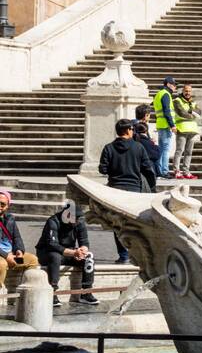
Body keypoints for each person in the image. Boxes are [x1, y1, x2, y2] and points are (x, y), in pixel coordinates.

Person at [99, 118, 156, 264]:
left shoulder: (108, 148)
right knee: (135, 224)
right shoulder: (138, 147)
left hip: (115, 189)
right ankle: (137, 254)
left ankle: (123, 255)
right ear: (129, 130)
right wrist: (151, 186)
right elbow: (148, 169)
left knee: (117, 224)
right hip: (134, 190)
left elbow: (102, 169)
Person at [36, 202, 98, 308]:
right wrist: (74, 252)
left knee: (89, 258)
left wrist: (83, 250)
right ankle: (52, 292)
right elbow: (52, 245)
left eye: (78, 218)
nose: (77, 221)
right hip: (47, 252)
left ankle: (86, 292)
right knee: (55, 256)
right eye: (75, 218)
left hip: (68, 253)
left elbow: (84, 241)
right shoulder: (53, 221)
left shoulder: (79, 222)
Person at [0, 189, 39, 292]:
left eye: (2, 204)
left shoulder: (10, 219)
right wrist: (6, 255)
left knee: (32, 260)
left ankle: (25, 292)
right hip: (2, 257)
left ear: (8, 206)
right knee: (1, 264)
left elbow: (17, 237)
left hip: (11, 255)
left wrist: (19, 251)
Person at [172, 83, 201, 179]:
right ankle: (177, 171)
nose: (188, 93)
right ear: (182, 91)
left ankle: (186, 171)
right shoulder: (177, 100)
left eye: (189, 91)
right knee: (179, 151)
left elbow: (200, 112)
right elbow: (181, 113)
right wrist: (192, 114)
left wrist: (191, 112)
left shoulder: (193, 102)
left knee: (189, 152)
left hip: (192, 130)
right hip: (182, 129)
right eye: (186, 91)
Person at [151, 76, 178, 178]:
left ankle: (159, 170)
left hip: (161, 124)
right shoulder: (166, 94)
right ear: (168, 84)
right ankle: (165, 171)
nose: (175, 87)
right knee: (165, 149)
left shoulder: (159, 94)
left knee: (162, 149)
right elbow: (167, 111)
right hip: (166, 125)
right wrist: (172, 125)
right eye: (174, 84)